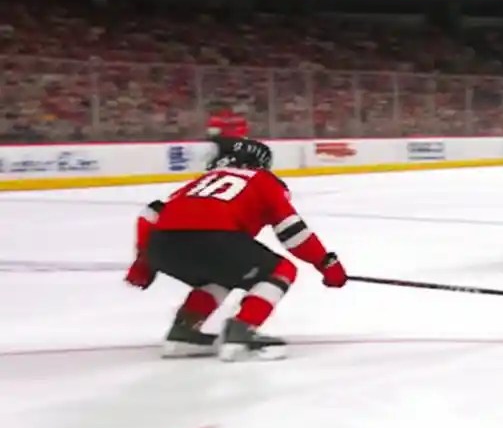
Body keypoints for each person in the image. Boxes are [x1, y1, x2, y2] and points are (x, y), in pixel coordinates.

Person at [125, 138, 349, 361]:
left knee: (220, 274)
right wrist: (325, 262)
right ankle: (242, 332)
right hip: (215, 241)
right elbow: (292, 232)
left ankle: (184, 333)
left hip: (161, 245)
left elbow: (151, 212)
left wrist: (144, 260)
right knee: (282, 269)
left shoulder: (202, 181)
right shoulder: (263, 180)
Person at [206, 103, 249, 169]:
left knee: (226, 154)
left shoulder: (237, 119)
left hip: (228, 140)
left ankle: (212, 167)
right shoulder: (217, 119)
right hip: (227, 140)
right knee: (231, 154)